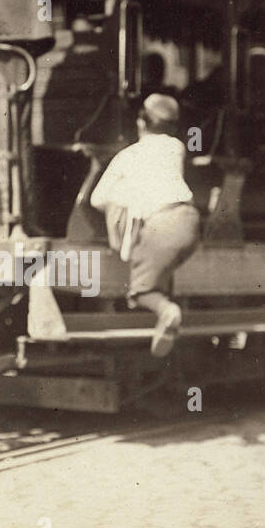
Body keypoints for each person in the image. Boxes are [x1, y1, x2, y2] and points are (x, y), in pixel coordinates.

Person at [90, 94, 200, 357]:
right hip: (190, 222)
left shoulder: (127, 156)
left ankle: (167, 312)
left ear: (140, 123)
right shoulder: (176, 148)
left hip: (161, 225)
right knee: (161, 269)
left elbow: (97, 199)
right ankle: (166, 312)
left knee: (140, 292)